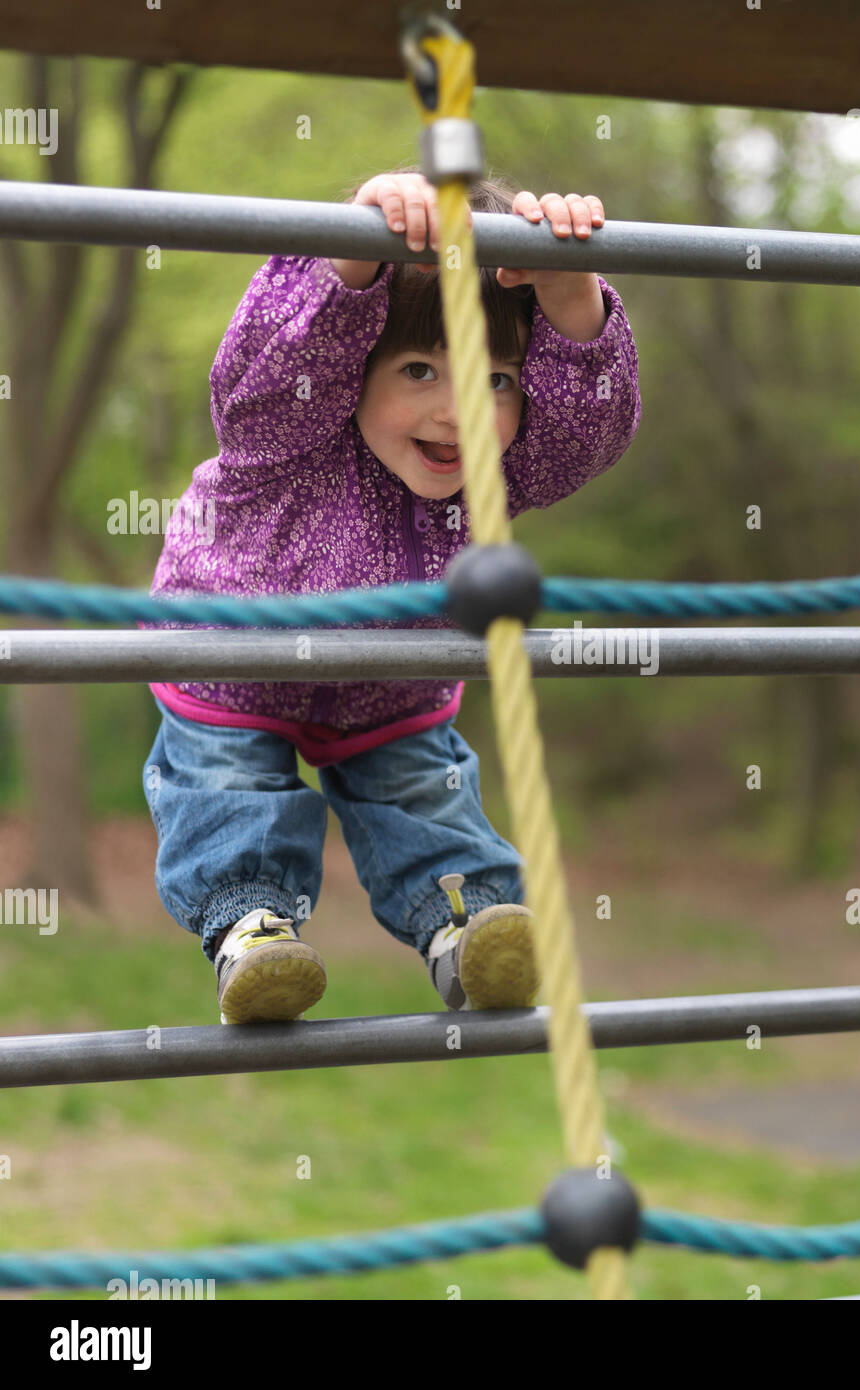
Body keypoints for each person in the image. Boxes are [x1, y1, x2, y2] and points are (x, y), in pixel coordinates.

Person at [141, 168, 641, 1023]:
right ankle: (252, 935)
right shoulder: (286, 437)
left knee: (425, 803)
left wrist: (569, 295)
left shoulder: (490, 475)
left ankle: (467, 929)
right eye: (419, 369)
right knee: (226, 795)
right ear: (354, 364)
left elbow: (582, 436)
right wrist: (352, 265)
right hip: (233, 667)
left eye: (496, 381)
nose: (458, 416)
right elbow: (263, 375)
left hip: (390, 690)